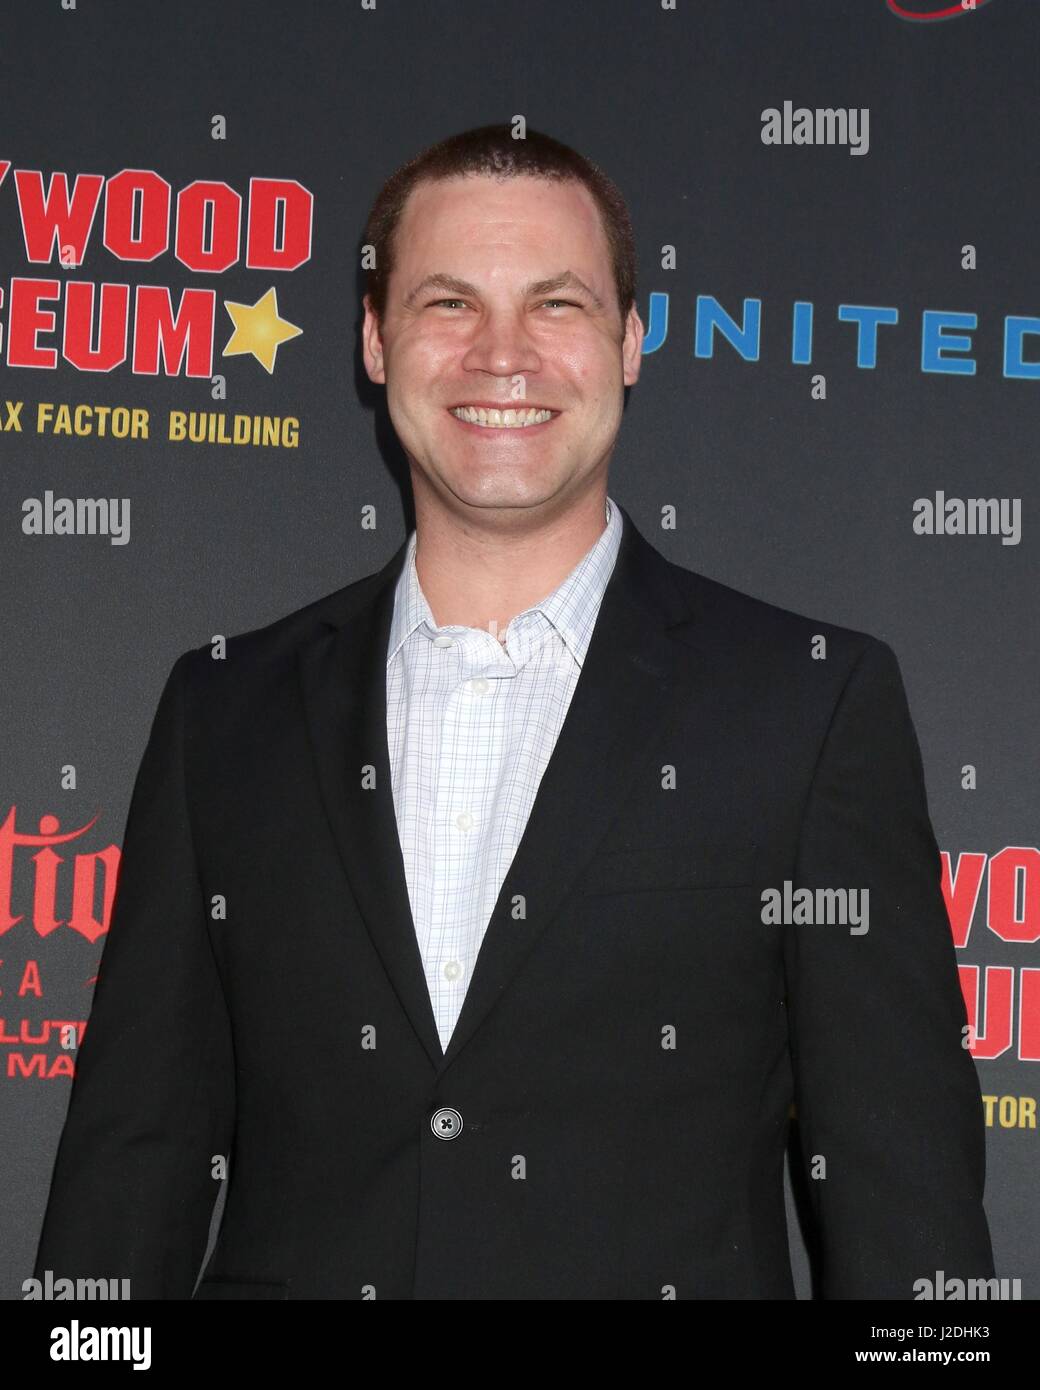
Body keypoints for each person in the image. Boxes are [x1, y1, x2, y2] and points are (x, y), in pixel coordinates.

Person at [33, 123, 994, 1299]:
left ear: (630, 343)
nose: (502, 355)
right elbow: (132, 1167)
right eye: (447, 303)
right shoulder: (224, 709)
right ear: (375, 342)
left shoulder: (805, 701)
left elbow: (904, 1201)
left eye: (556, 305)